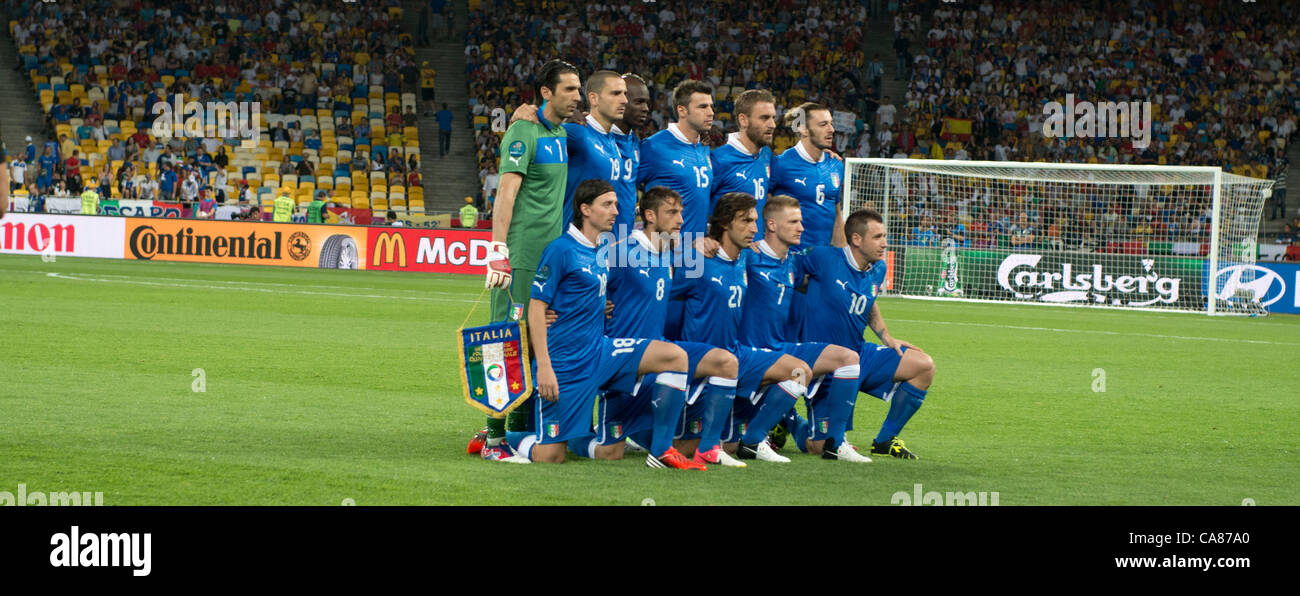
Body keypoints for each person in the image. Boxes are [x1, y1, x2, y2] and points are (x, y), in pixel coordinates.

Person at [505, 179, 697, 468]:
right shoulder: (561, 249)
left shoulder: (601, 251)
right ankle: (505, 437)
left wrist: (601, 305)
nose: (615, 211)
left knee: (674, 357)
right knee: (551, 457)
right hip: (564, 361)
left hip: (601, 351)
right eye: (607, 204)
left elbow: (592, 290)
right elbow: (536, 306)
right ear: (585, 209)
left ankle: (661, 451)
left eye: (616, 205)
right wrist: (544, 366)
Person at [478, 59, 581, 462]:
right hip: (520, 256)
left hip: (549, 258)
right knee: (506, 339)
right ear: (546, 92)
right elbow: (505, 193)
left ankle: (517, 432)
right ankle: (491, 439)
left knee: (537, 343)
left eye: (578, 89)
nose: (575, 97)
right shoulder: (523, 131)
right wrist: (498, 251)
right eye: (569, 89)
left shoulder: (558, 132)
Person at [598, 186, 744, 467]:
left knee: (725, 362)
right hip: (623, 360)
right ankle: (522, 439)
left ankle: (708, 448)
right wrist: (594, 305)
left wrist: (699, 244)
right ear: (650, 215)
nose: (680, 219)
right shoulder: (619, 252)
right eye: (672, 212)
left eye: (681, 213)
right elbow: (585, 285)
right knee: (606, 452)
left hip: (661, 355)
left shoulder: (671, 252)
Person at [671, 191, 812, 463]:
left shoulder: (746, 259)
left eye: (756, 221)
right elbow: (660, 289)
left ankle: (753, 440)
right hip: (701, 358)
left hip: (736, 353)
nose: (754, 229)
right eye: (746, 221)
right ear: (725, 223)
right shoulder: (698, 260)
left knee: (800, 371)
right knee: (683, 447)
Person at [799, 208, 936, 458]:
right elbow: (788, 273)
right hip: (825, 361)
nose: (885, 243)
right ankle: (790, 422)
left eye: (884, 236)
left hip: (860, 353)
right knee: (818, 447)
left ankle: (885, 440)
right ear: (856, 239)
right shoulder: (823, 258)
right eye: (878, 237)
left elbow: (869, 301)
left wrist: (886, 336)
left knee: (923, 365)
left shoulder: (878, 268)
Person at [638, 80, 715, 239]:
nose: (711, 112)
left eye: (711, 106)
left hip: (695, 252)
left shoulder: (703, 147)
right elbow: (628, 184)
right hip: (664, 250)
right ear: (682, 110)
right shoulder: (654, 147)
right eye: (702, 107)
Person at [771, 102, 846, 248]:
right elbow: (764, 209)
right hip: (790, 258)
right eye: (823, 124)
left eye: (831, 123)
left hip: (823, 259)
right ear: (804, 129)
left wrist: (842, 257)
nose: (831, 129)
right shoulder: (781, 164)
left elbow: (837, 215)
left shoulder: (836, 165)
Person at [710, 89, 776, 240]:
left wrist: (822, 154)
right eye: (764, 118)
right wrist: (705, 238)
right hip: (725, 257)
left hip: (756, 254)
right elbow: (697, 204)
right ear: (743, 120)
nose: (772, 124)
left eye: (773, 118)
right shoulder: (719, 160)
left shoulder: (766, 155)